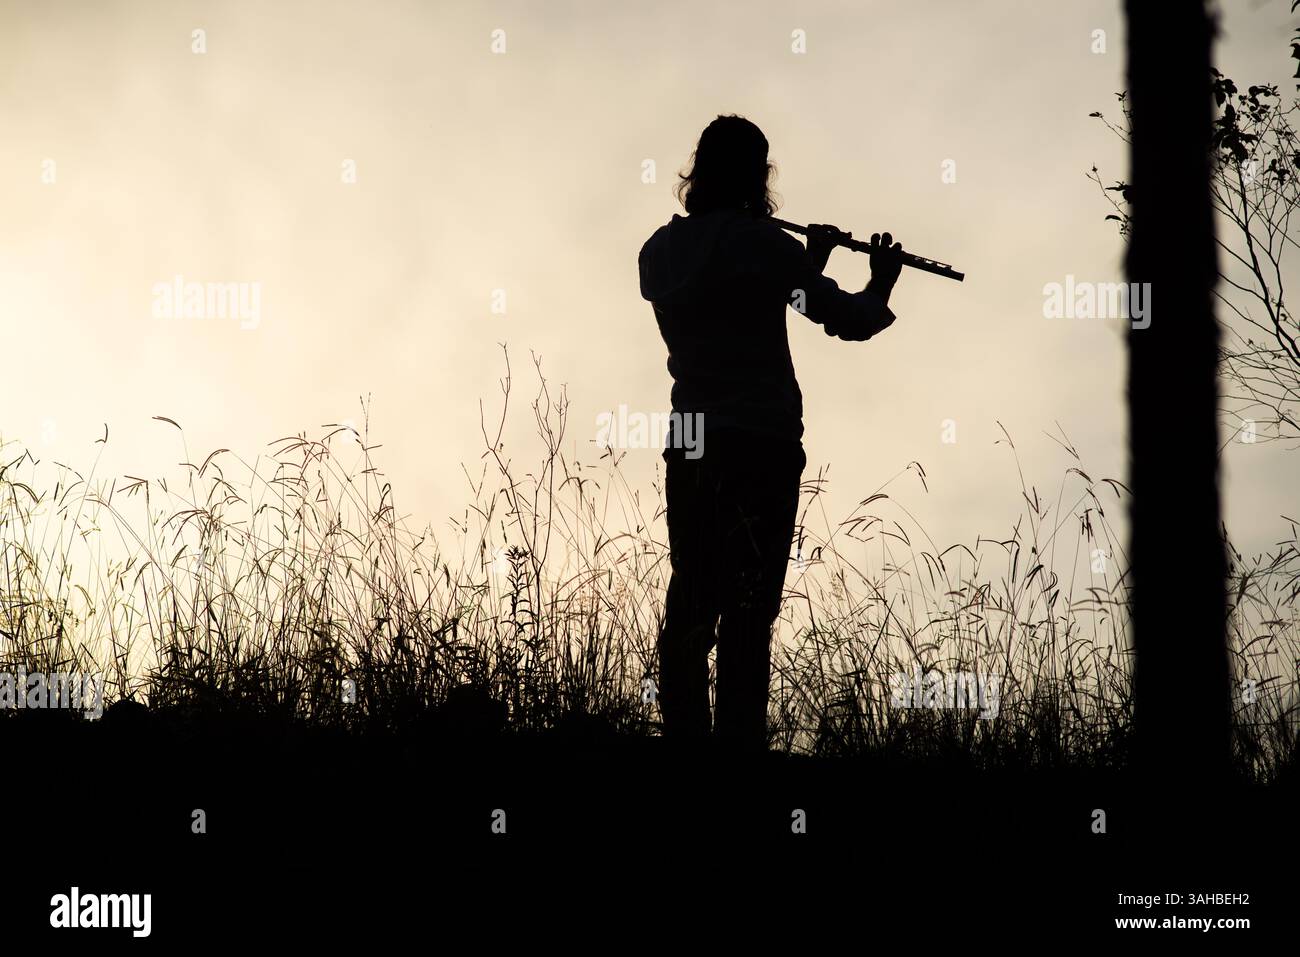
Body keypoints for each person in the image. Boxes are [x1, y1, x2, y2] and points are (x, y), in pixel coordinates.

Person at [638, 113, 904, 753]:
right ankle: (737, 761)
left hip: (696, 440)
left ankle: (685, 754)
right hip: (761, 443)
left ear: (697, 172)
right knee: (748, 615)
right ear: (758, 179)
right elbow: (842, 317)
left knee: (693, 606)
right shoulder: (764, 248)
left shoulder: (659, 253)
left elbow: (740, 291)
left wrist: (802, 264)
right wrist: (879, 280)